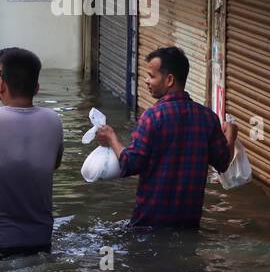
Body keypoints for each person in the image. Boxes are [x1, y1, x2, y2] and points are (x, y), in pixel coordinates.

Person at [96, 46, 237, 229]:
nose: (146, 81)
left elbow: (130, 164)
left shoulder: (152, 117)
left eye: (152, 76)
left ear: (169, 79)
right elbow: (223, 163)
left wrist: (111, 137)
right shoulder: (207, 118)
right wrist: (231, 135)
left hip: (149, 225)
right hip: (188, 226)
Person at [0, 48, 64, 261]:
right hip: (41, 242)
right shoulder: (54, 121)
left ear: (4, 84)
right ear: (37, 88)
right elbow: (51, 164)